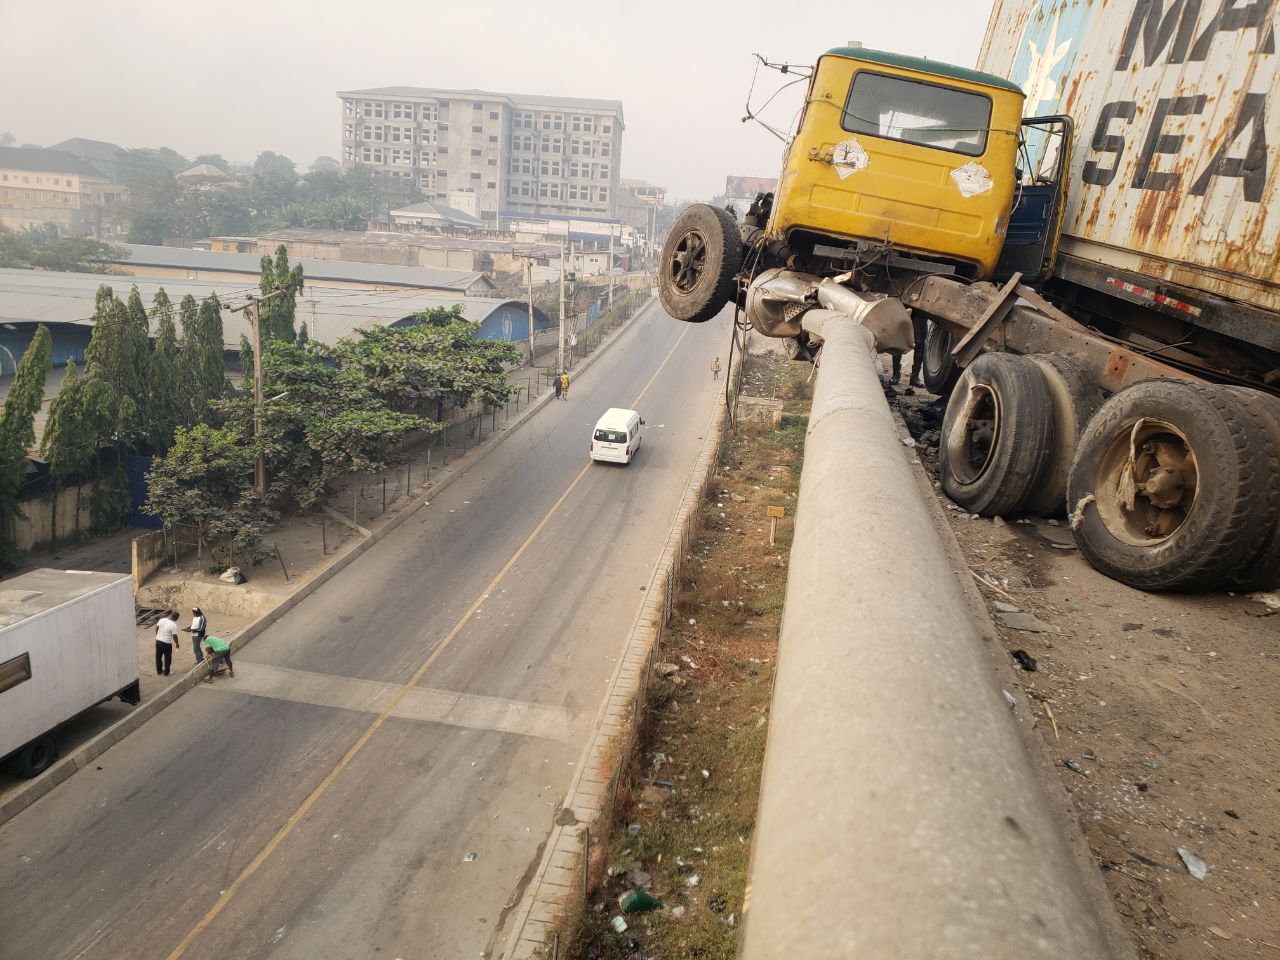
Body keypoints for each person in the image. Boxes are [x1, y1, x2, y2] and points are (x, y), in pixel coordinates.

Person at [155, 610, 179, 677]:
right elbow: (174, 636)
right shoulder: (173, 625)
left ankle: (159, 671)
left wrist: (158, 636)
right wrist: (177, 644)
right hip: (166, 643)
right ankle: (167, 672)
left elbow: (156, 628)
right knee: (167, 657)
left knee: (158, 656)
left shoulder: (162, 620)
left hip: (158, 641)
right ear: (176, 618)